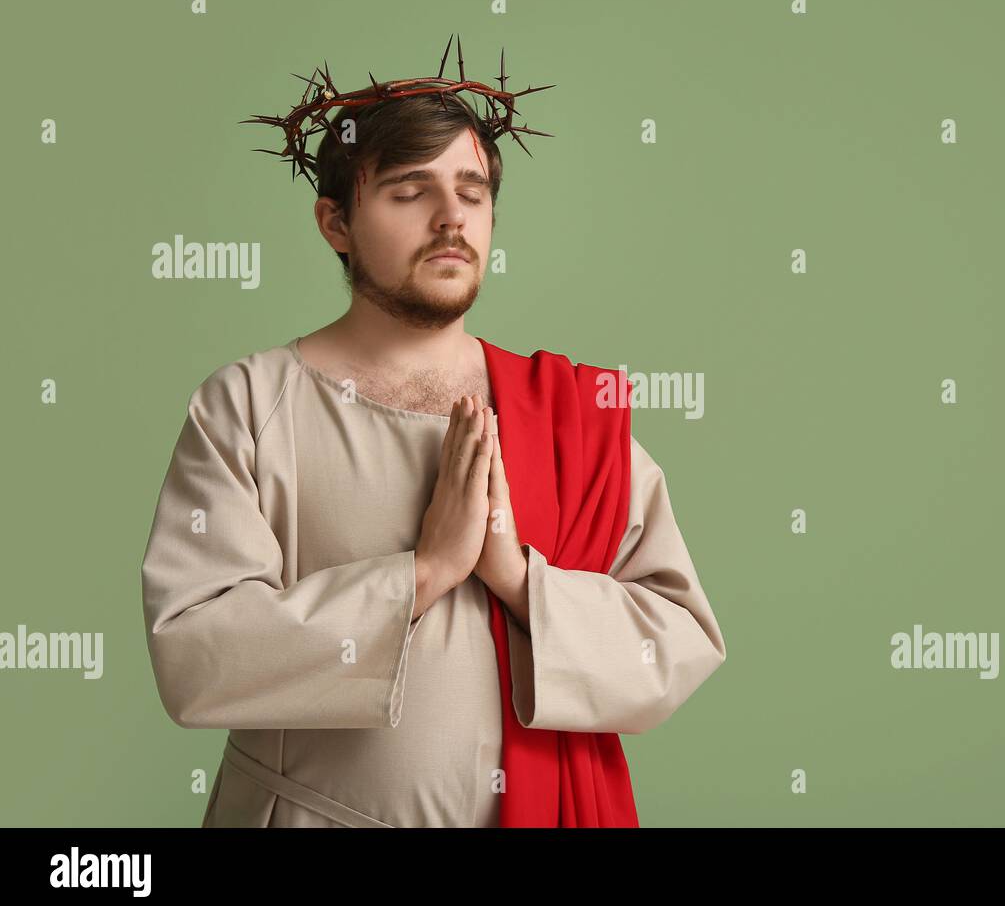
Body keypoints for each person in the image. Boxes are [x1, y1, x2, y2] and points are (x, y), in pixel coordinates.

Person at [139, 80, 726, 828]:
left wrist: (517, 581)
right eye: (409, 191)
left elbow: (677, 642)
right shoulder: (248, 406)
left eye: (472, 193)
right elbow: (194, 660)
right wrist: (421, 577)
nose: (452, 218)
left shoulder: (566, 415)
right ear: (335, 222)